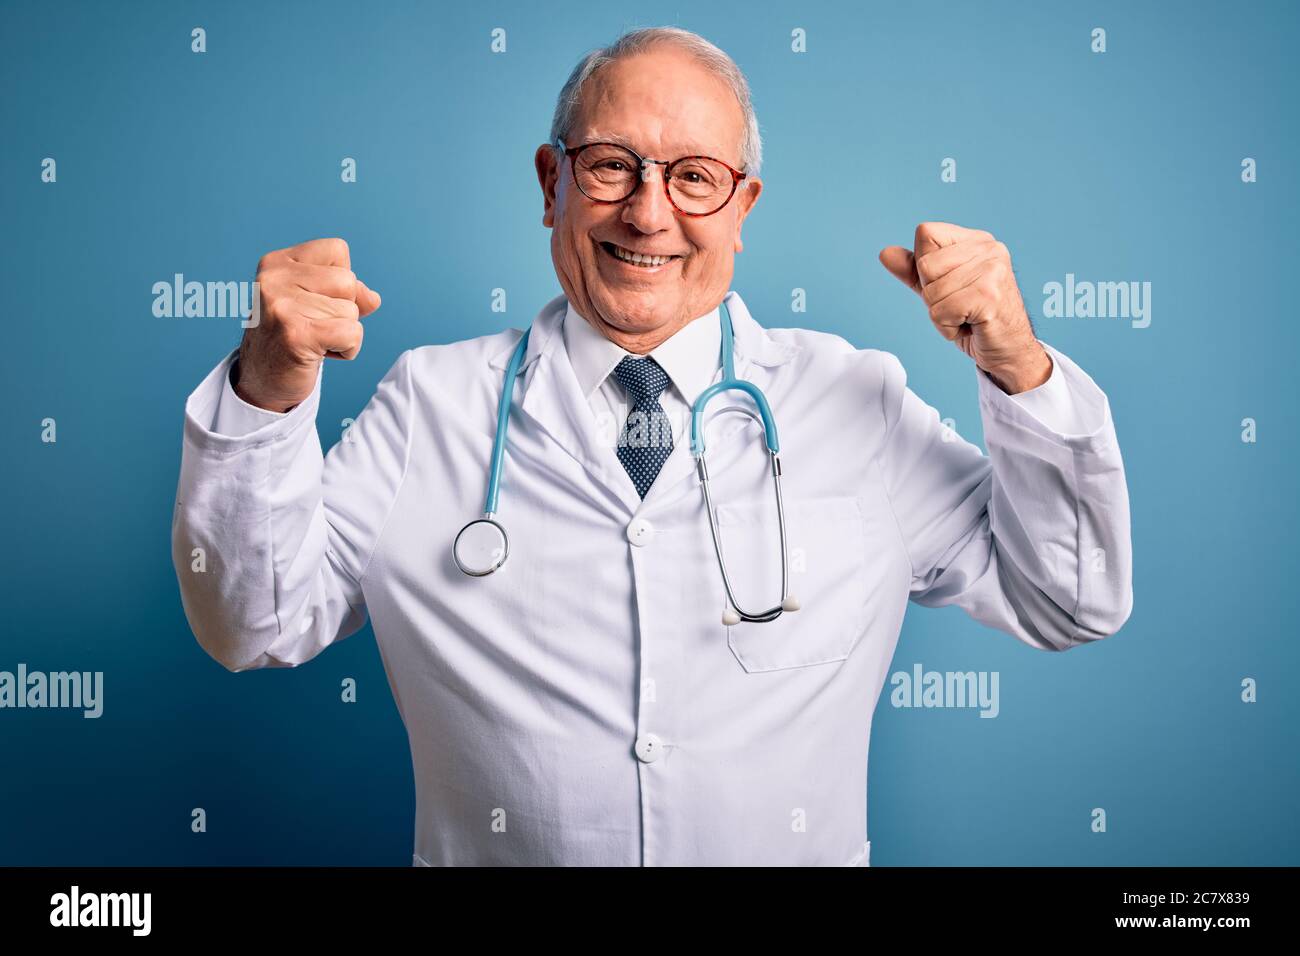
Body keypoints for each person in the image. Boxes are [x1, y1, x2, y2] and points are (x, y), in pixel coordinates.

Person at [171, 26, 1132, 866]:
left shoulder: (855, 400)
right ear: (552, 185)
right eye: (608, 165)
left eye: (695, 178)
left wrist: (1019, 368)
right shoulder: (432, 403)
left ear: (743, 209)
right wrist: (268, 392)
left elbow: (1070, 598)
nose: (647, 212)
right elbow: (252, 623)